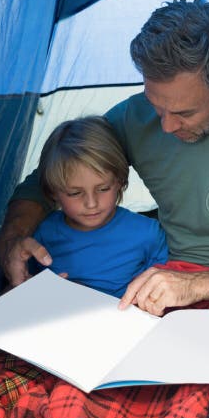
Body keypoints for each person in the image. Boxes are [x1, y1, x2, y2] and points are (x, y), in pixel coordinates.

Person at [0, 0, 209, 318]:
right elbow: (42, 185)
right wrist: (13, 241)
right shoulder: (133, 118)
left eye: (184, 113)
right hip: (168, 285)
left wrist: (198, 285)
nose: (166, 126)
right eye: (156, 106)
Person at [31, 115, 168, 298]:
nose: (91, 203)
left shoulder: (148, 233)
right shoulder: (44, 234)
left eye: (103, 189)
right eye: (74, 193)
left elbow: (165, 291)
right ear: (53, 192)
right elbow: (23, 290)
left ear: (120, 181)